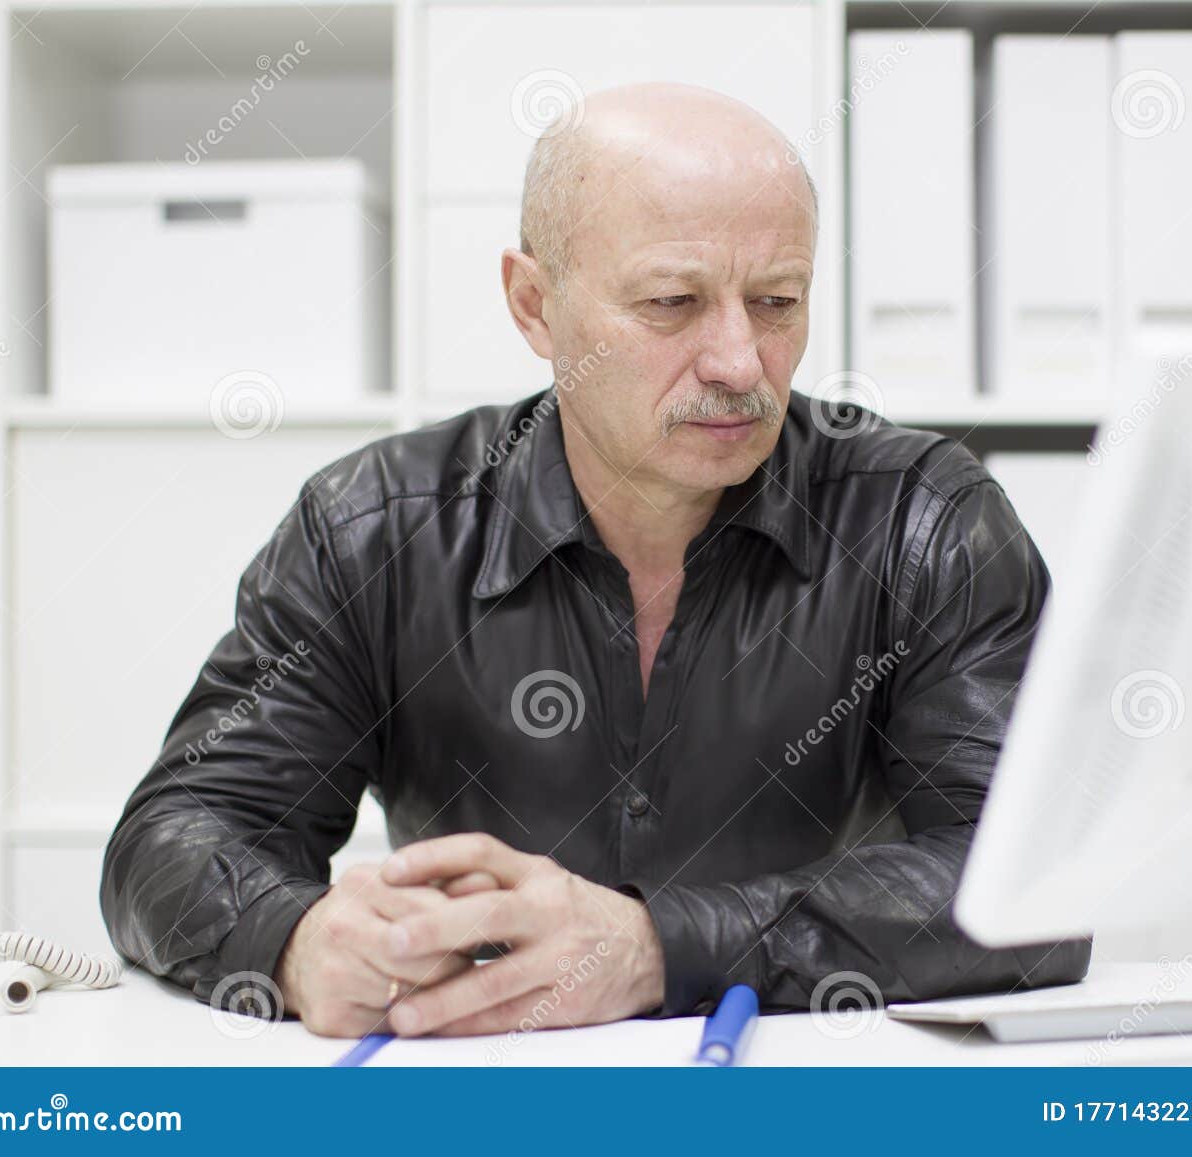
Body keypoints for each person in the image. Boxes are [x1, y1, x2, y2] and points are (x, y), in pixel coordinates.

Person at [101, 81, 1090, 1038]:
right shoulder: (374, 529)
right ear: (534, 304)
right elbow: (176, 833)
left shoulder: (926, 521)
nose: (740, 362)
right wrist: (296, 938)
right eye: (671, 302)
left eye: (778, 300)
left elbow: (1028, 886)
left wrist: (658, 944)